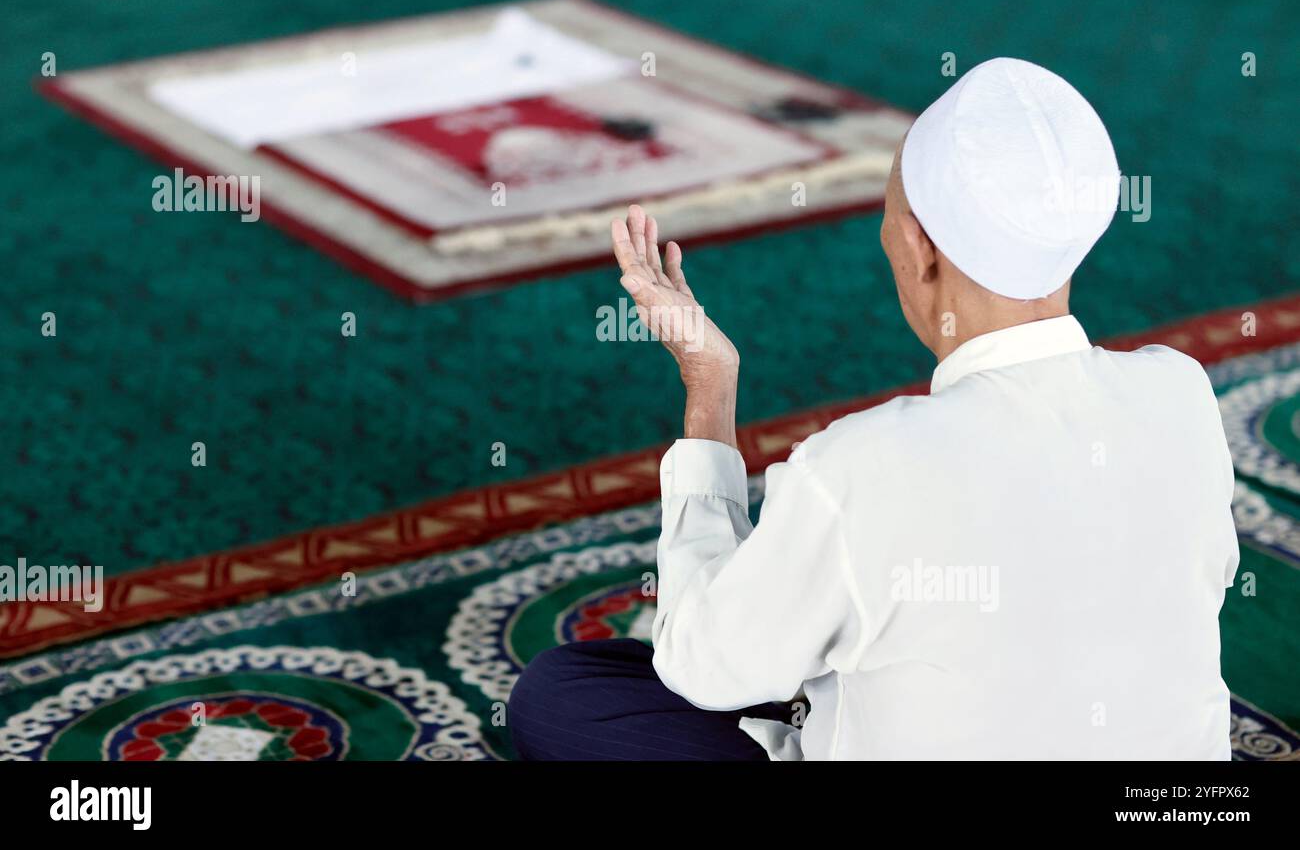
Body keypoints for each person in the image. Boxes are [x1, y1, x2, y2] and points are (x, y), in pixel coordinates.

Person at [508, 58, 1239, 760]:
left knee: (565, 694)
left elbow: (702, 669)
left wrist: (710, 385)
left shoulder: (859, 466)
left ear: (918, 247)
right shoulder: (1180, 392)